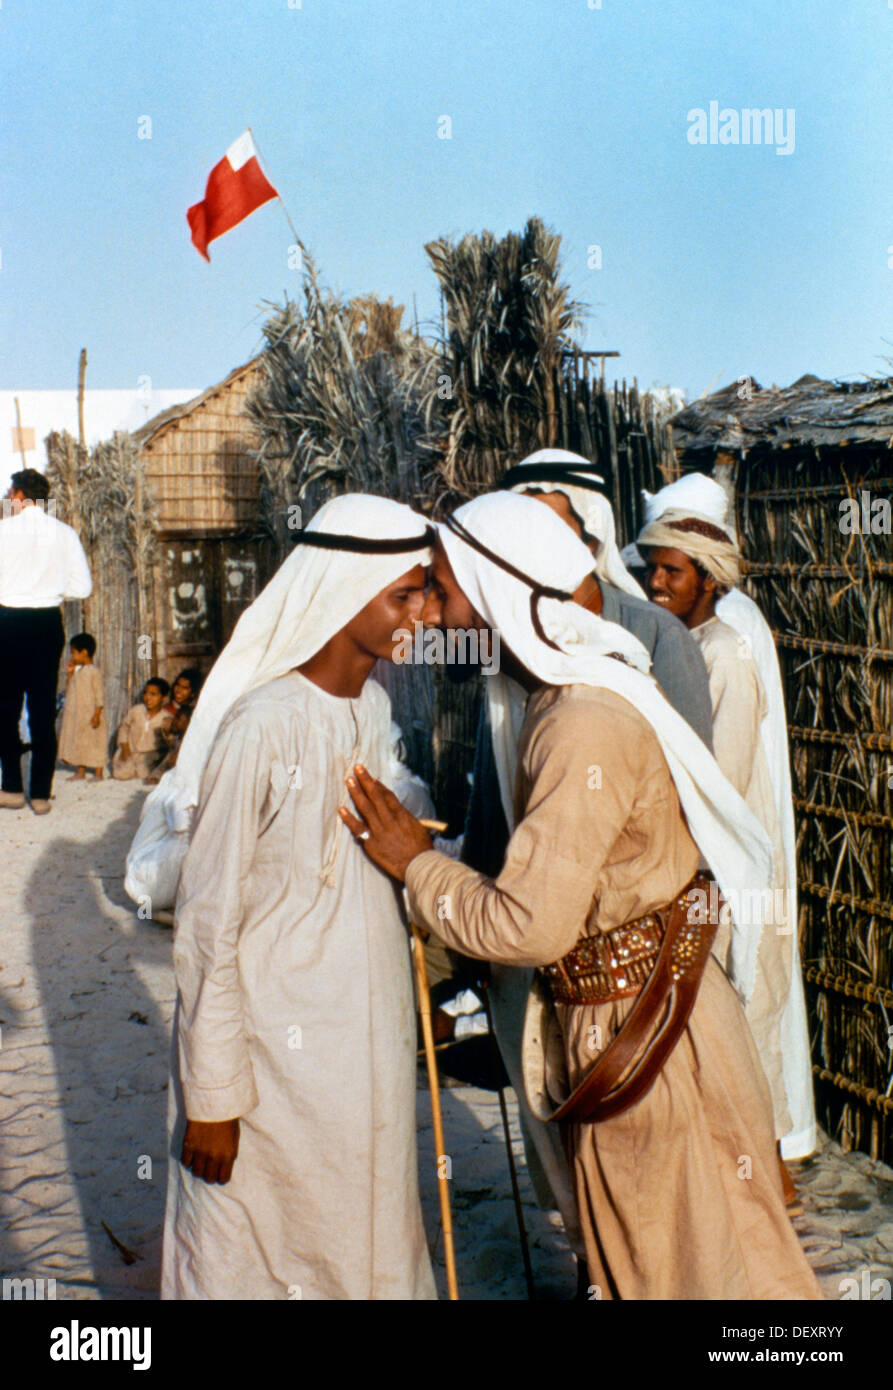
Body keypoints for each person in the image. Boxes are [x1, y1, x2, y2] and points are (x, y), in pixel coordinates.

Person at [340, 492, 822, 1300]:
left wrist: (415, 865)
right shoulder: (587, 692)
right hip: (672, 1020)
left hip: (640, 1039)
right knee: (729, 1270)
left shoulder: (579, 725)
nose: (436, 613)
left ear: (505, 591)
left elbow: (531, 925)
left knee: (673, 1271)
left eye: (448, 592)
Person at [158, 494, 437, 1301]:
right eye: (403, 594)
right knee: (259, 1244)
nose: (419, 614)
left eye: (423, 593)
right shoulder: (261, 723)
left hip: (364, 1038)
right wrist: (211, 1096)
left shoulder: (375, 708)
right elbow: (208, 917)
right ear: (343, 588)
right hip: (271, 1052)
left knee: (364, 1229)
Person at [455, 448, 715, 1277]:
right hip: (527, 923)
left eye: (554, 520)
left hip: (622, 951)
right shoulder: (508, 652)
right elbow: (491, 786)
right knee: (555, 1131)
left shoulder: (650, 639)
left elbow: (683, 796)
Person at [635, 472, 816, 1172]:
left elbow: (724, 785)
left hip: (726, 878)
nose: (656, 583)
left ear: (707, 580)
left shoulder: (725, 655)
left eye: (671, 572)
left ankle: (772, 1194)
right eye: (651, 568)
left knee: (746, 1037)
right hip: (706, 875)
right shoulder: (687, 646)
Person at [0, 469, 92, 813]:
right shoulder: (65, 534)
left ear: (20, 496)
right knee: (41, 711)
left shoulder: (2, 531)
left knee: (5, 708)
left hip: (8, 620)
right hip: (46, 623)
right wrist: (51, 590)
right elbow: (82, 588)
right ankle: (39, 795)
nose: (8, 498)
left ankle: (11, 788)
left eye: (10, 493)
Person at [57, 632, 108, 779]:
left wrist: (97, 713)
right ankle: (81, 771)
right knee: (80, 742)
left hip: (92, 714)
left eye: (74, 653)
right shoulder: (78, 671)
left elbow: (99, 695)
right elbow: (70, 688)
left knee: (96, 741)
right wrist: (70, 674)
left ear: (84, 652)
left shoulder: (94, 672)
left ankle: (98, 772)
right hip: (79, 716)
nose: (72, 656)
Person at [112, 678, 171, 781]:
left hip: (149, 755)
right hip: (129, 750)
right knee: (121, 774)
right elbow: (124, 728)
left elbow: (168, 743)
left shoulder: (166, 718)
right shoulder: (137, 710)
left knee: (144, 773)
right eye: (146, 693)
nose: (148, 698)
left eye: (153, 694)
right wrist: (125, 749)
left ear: (164, 698)